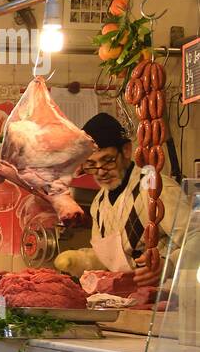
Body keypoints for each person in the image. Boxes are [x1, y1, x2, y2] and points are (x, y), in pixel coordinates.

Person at [56, 113, 183, 287]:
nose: (100, 171)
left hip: (165, 298)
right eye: (91, 164)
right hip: (128, 299)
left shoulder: (156, 188)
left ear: (126, 151)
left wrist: (168, 264)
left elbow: (195, 237)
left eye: (107, 160)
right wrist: (80, 260)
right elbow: (109, 259)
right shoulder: (99, 204)